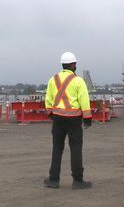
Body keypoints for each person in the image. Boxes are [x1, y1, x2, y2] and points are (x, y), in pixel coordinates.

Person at [43, 51, 93, 190]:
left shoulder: (53, 80)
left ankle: (53, 180)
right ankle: (78, 181)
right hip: (74, 120)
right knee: (76, 149)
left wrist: (52, 115)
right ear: (73, 65)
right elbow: (84, 101)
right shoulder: (78, 81)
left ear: (62, 65)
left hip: (58, 119)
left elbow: (48, 100)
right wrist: (87, 119)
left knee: (57, 149)